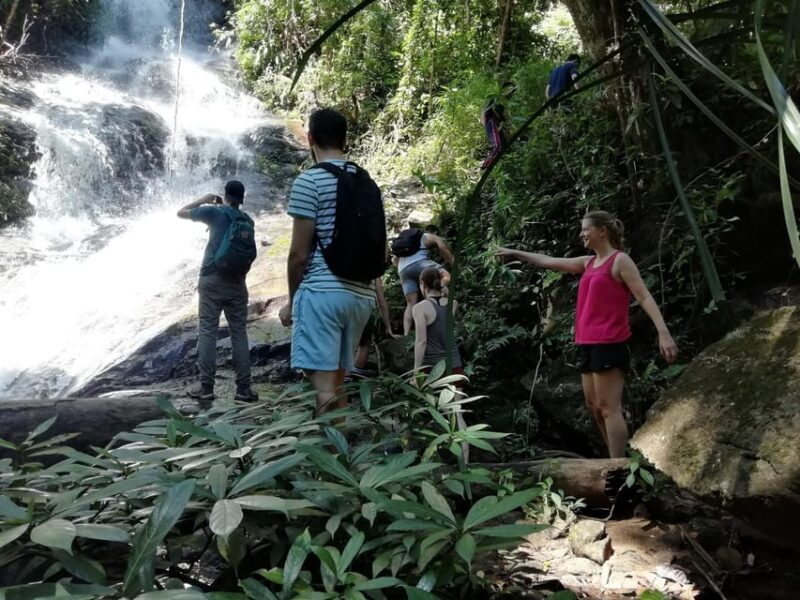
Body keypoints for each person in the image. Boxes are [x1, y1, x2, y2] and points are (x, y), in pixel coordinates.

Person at [495, 211, 678, 458]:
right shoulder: (588, 263)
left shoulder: (620, 261)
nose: (582, 234)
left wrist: (663, 332)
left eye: (585, 229)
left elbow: (643, 295)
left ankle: (618, 465)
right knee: (594, 406)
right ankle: (614, 458)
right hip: (587, 342)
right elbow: (549, 261)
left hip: (610, 342)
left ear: (602, 231)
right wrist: (517, 253)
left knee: (608, 407)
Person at [278, 108, 380, 415]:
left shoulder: (310, 181)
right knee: (339, 386)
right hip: (361, 298)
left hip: (323, 295)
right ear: (345, 141)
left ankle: (329, 459)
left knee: (323, 389)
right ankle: (344, 456)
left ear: (309, 138)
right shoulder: (367, 183)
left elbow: (298, 255)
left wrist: (293, 302)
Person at [177, 180, 259, 402]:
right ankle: (244, 389)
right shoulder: (247, 220)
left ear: (225, 195)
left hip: (212, 280)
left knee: (208, 332)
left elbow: (180, 213)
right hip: (237, 284)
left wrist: (204, 200)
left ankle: (206, 388)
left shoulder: (214, 212)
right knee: (239, 333)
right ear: (241, 199)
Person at [412, 266, 469, 461]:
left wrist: (415, 372)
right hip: (455, 364)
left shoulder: (419, 309)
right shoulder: (453, 304)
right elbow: (447, 295)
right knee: (457, 414)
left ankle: (429, 460)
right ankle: (465, 462)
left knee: (431, 414)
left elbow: (421, 341)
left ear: (422, 285)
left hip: (433, 369)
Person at [395, 226, 453, 336]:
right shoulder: (429, 236)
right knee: (446, 276)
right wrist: (451, 261)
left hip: (402, 270)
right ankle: (438, 293)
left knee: (410, 303)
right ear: (434, 232)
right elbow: (442, 246)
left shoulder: (408, 243)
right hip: (419, 262)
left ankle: (406, 335)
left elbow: (395, 260)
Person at [353, 278, 396, 376]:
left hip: (344, 306)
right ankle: (356, 372)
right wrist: (388, 328)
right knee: (364, 344)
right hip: (365, 309)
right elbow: (381, 302)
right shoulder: (374, 271)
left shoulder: (347, 265)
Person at [480, 81, 516, 169]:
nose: (512, 94)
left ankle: (497, 163)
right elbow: (494, 112)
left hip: (495, 124)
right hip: (491, 122)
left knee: (501, 145)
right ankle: (486, 164)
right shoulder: (497, 100)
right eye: (510, 91)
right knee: (497, 145)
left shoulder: (504, 102)